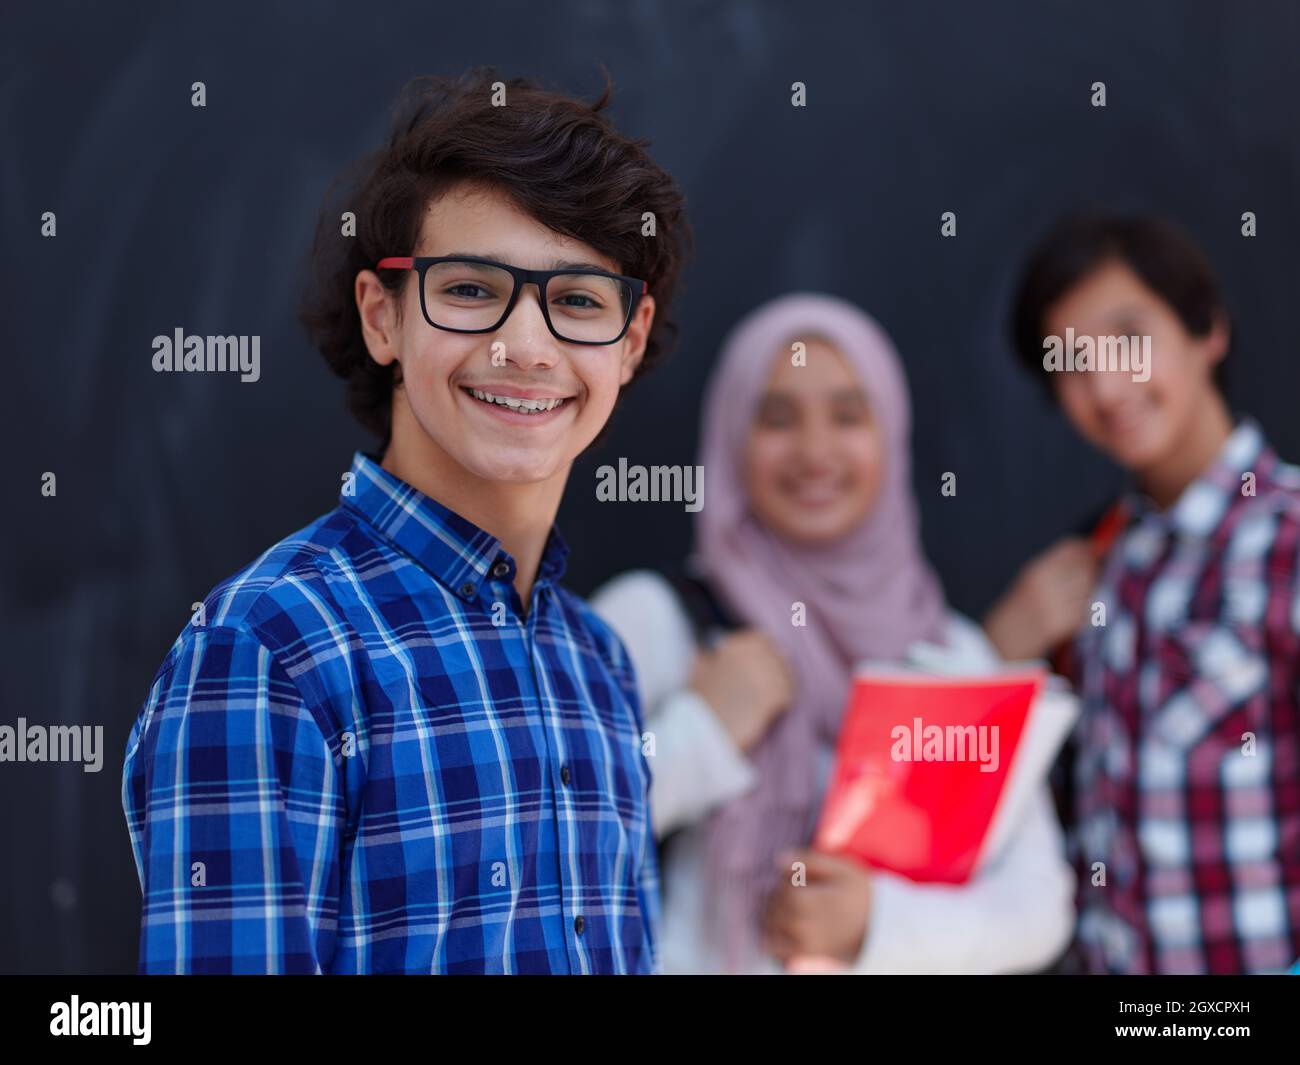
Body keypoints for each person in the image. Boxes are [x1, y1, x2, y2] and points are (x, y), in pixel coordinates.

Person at [121, 70, 690, 974]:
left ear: (629, 338)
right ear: (383, 317)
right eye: (469, 290)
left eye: (579, 300)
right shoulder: (270, 647)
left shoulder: (599, 664)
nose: (526, 346)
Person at [592, 293, 1076, 974]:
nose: (815, 452)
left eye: (849, 415)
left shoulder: (948, 651)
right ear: (732, 436)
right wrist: (698, 730)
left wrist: (874, 919)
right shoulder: (659, 621)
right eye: (777, 417)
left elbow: (1039, 906)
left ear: (891, 433)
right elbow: (549, 835)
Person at [1008, 212, 1300, 974]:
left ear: (1207, 330)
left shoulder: (1288, 538)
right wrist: (1001, 648)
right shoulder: (1099, 560)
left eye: (1127, 338)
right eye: (1069, 361)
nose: (1105, 385)